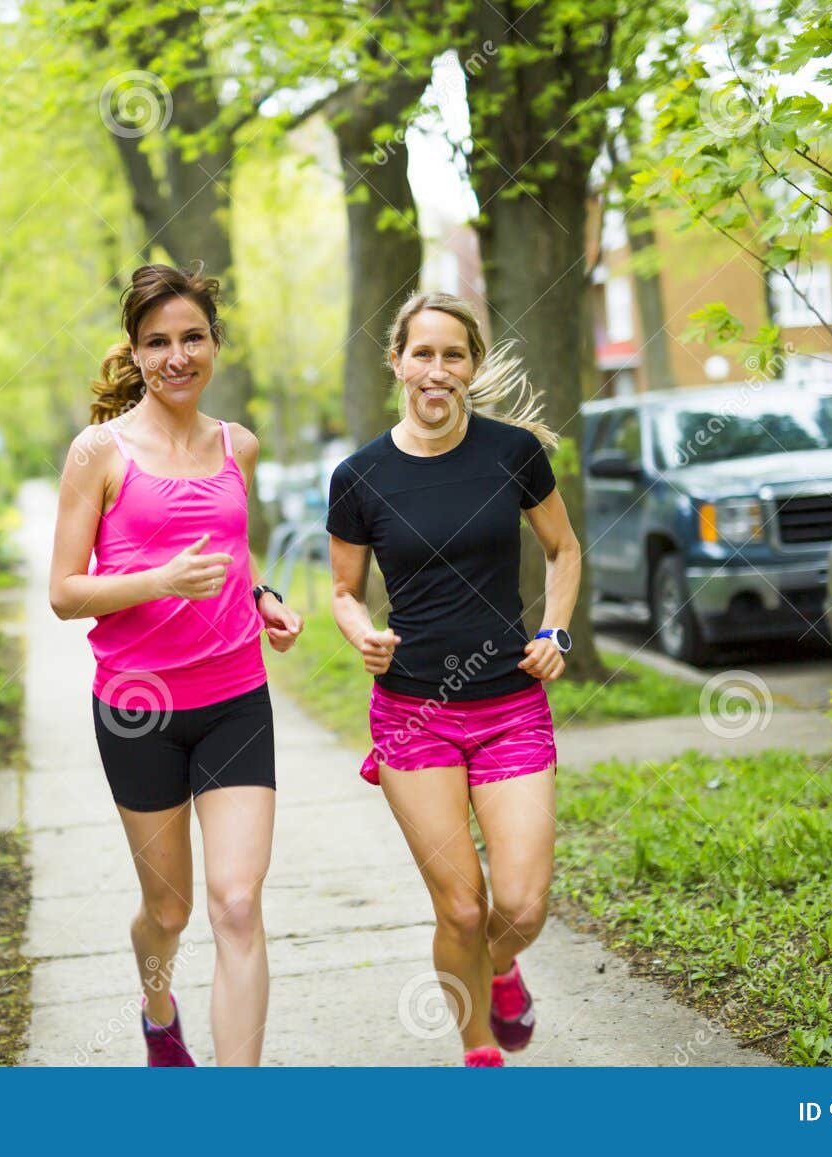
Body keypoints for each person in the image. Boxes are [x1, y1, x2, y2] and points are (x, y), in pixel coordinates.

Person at [49, 263, 302, 1067]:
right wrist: (158, 582)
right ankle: (159, 1010)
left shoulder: (240, 446)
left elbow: (231, 548)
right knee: (171, 910)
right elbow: (63, 591)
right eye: (158, 342)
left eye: (192, 337)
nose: (177, 355)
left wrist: (261, 594)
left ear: (214, 344)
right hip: (138, 708)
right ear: (135, 352)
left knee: (236, 903)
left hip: (234, 695)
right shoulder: (100, 450)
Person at [325, 292, 580, 1067]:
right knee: (461, 906)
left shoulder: (512, 453)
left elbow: (563, 550)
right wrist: (362, 631)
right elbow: (342, 590)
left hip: (510, 707)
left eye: (454, 354)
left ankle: (501, 966)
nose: (437, 369)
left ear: (472, 365)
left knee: (522, 905)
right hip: (413, 716)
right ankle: (480, 1054)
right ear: (396, 361)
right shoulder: (360, 474)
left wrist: (556, 630)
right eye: (423, 353)